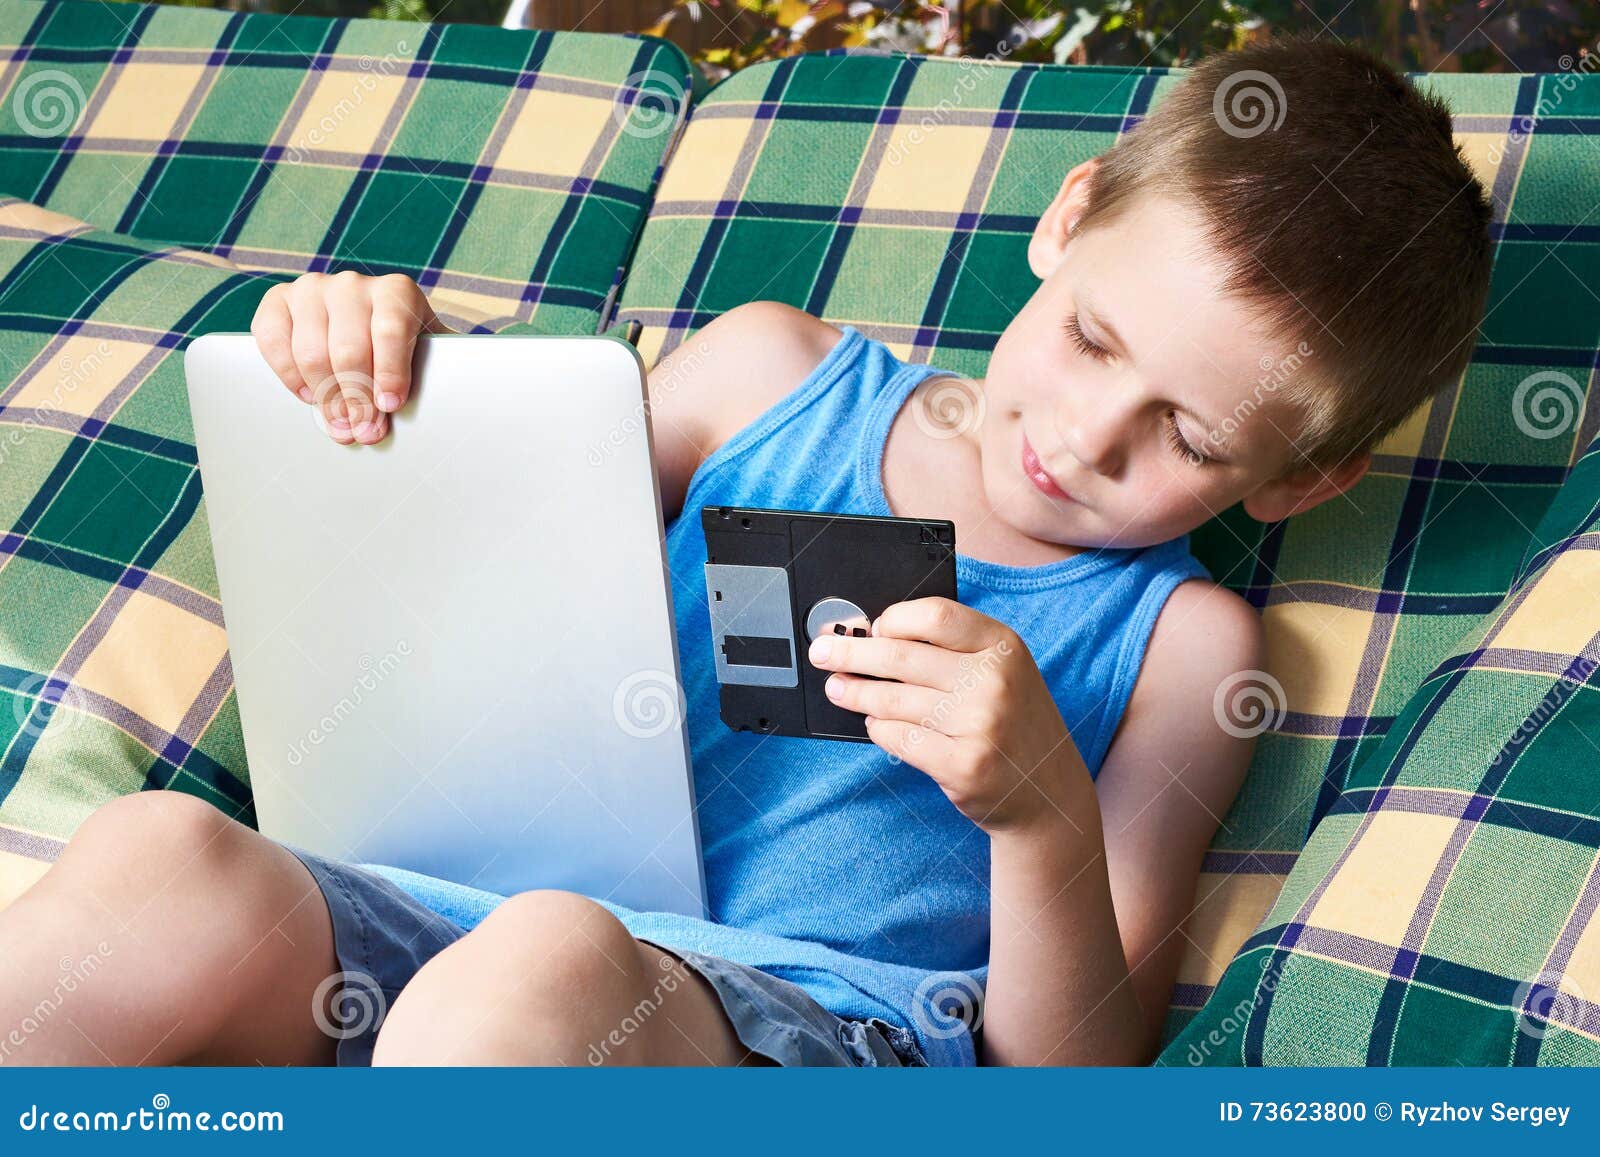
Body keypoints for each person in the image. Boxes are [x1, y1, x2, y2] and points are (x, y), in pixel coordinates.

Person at [0, 38, 1492, 1067]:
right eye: (1094, 340)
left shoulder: (1187, 648)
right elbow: (481, 537)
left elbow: (1069, 1081)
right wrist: (390, 368)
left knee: (543, 967)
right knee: (157, 860)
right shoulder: (769, 374)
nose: (1089, 437)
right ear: (1070, 217)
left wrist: (1038, 813)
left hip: (803, 1028)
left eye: (1194, 439)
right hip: (440, 914)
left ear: (1306, 479)